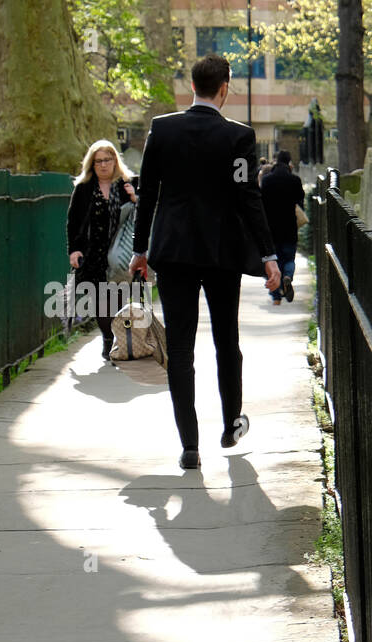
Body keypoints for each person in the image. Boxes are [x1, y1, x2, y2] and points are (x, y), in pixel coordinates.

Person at [130, 54, 279, 471]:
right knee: (226, 340)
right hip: (220, 252)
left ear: (191, 86)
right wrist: (269, 254)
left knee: (180, 347)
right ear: (225, 87)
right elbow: (247, 197)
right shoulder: (238, 137)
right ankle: (232, 425)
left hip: (173, 251)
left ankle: (189, 445)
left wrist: (140, 250)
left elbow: (148, 196)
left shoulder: (163, 129)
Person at [66, 141, 137, 358]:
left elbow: (145, 217)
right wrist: (74, 250)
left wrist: (135, 198)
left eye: (108, 160)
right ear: (92, 164)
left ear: (115, 161)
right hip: (93, 254)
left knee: (116, 301)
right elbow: (73, 221)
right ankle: (108, 339)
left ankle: (115, 341)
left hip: (120, 254)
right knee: (99, 301)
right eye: (99, 161)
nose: (104, 165)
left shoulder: (128, 184)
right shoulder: (84, 188)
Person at [258, 150, 305, 306]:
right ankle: (288, 277)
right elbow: (300, 199)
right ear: (289, 162)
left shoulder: (267, 180)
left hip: (271, 228)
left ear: (277, 161)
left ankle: (276, 296)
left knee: (272, 260)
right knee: (289, 258)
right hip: (289, 225)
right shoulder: (294, 180)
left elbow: (261, 202)